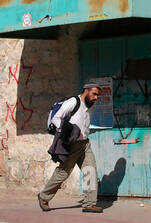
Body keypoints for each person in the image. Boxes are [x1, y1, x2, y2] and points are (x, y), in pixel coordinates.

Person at [39, 83, 103, 213]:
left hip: (85, 145)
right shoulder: (73, 102)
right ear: (86, 91)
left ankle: (89, 203)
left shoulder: (88, 106)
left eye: (97, 95)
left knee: (90, 170)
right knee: (63, 173)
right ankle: (43, 196)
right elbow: (56, 118)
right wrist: (68, 131)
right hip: (71, 145)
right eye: (94, 94)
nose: (96, 97)